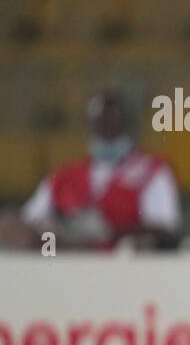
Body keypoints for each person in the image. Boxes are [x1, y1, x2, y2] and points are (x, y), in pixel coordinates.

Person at [16, 91, 180, 250]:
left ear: (127, 126)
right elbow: (28, 222)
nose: (106, 133)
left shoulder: (151, 171)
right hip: (69, 263)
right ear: (89, 127)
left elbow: (166, 230)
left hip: (126, 265)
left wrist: (110, 233)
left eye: (113, 125)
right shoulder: (63, 177)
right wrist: (64, 235)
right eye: (100, 125)